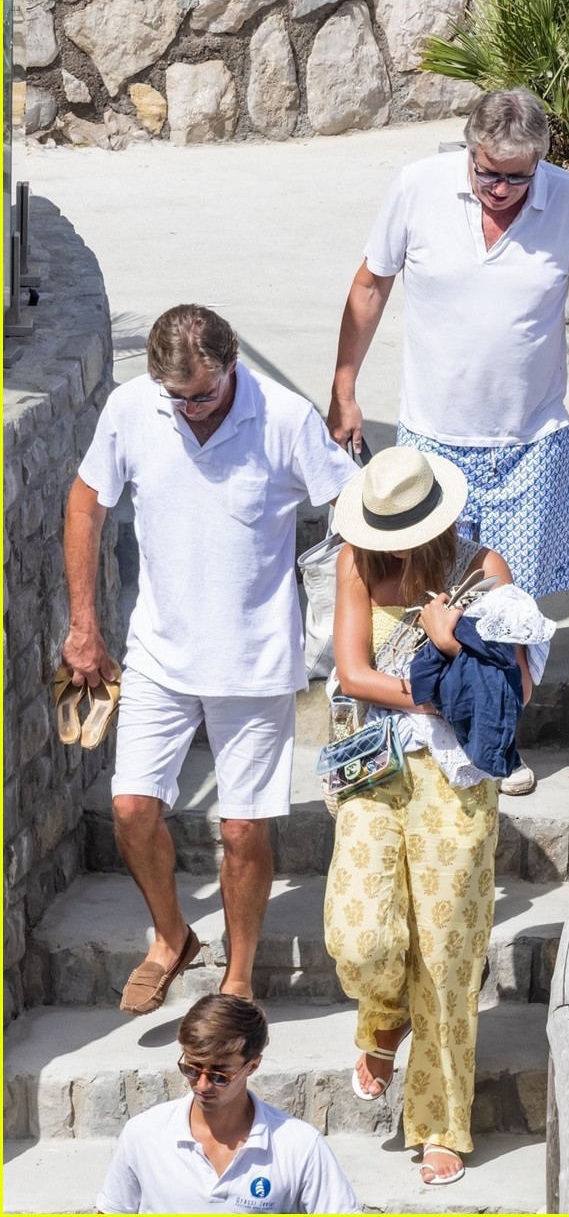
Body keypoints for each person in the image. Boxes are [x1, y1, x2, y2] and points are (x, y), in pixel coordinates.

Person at [328, 87, 569, 793]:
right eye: (487, 171)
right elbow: (370, 287)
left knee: (508, 613)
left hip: (530, 445)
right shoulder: (418, 189)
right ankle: (434, 727)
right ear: (469, 151)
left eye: (516, 177)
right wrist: (344, 387)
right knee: (430, 601)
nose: (500, 189)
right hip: (434, 441)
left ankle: (497, 741)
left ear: (540, 164)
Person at [62, 304, 357, 1014]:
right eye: (178, 396)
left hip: (255, 662)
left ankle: (239, 976)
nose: (190, 408)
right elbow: (85, 503)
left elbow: (354, 514)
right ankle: (171, 937)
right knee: (131, 809)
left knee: (242, 829)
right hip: (159, 652)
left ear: (232, 367)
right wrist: (83, 624)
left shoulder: (284, 418)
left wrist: (350, 636)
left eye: (203, 393)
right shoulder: (135, 407)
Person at [323, 446, 533, 1186]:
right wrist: (439, 690)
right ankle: (383, 1012)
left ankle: (442, 1121)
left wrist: (450, 646)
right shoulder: (356, 562)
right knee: (360, 932)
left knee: (446, 957)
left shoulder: (485, 572)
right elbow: (352, 671)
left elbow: (520, 690)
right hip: (376, 766)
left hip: (458, 783)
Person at [96, 993, 360, 1213]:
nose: (202, 1085)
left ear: (253, 1065)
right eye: (191, 1069)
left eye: (219, 1075)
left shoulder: (300, 1145)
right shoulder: (143, 1134)